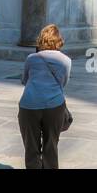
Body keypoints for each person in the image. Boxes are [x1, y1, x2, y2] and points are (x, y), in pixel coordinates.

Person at [17, 24, 71, 170]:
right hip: (54, 105)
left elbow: (25, 80)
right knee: (51, 146)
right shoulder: (66, 60)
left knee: (31, 148)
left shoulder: (31, 58)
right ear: (59, 40)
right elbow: (63, 82)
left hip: (29, 105)